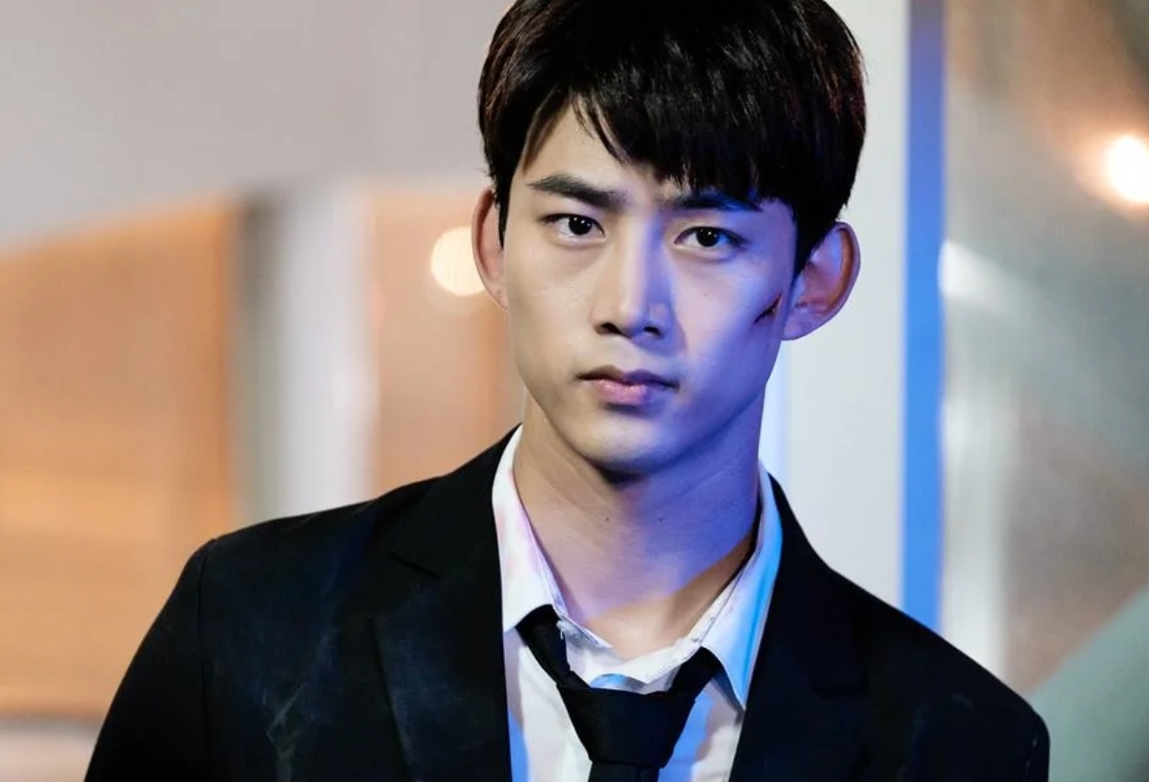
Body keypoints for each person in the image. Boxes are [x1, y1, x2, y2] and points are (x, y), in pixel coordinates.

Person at [86, 0, 1050, 779]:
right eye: (577, 225)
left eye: (706, 236)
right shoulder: (254, 634)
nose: (629, 306)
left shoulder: (958, 741)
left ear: (814, 281)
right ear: (494, 242)